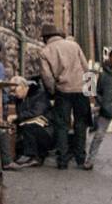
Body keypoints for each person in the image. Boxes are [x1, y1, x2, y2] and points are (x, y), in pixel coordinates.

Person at [38, 25, 91, 170]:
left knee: (62, 125)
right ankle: (80, 158)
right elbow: (86, 67)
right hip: (81, 89)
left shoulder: (45, 51)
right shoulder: (74, 45)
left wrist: (52, 91)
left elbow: (47, 76)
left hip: (63, 91)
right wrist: (90, 90)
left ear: (45, 38)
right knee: (81, 123)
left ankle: (62, 160)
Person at [10, 77, 54, 167]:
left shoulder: (39, 94)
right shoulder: (19, 99)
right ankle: (30, 155)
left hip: (46, 130)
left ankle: (32, 156)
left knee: (29, 127)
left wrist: (17, 117)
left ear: (23, 86)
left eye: (14, 90)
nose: (13, 94)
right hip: (31, 129)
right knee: (23, 128)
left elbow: (37, 112)